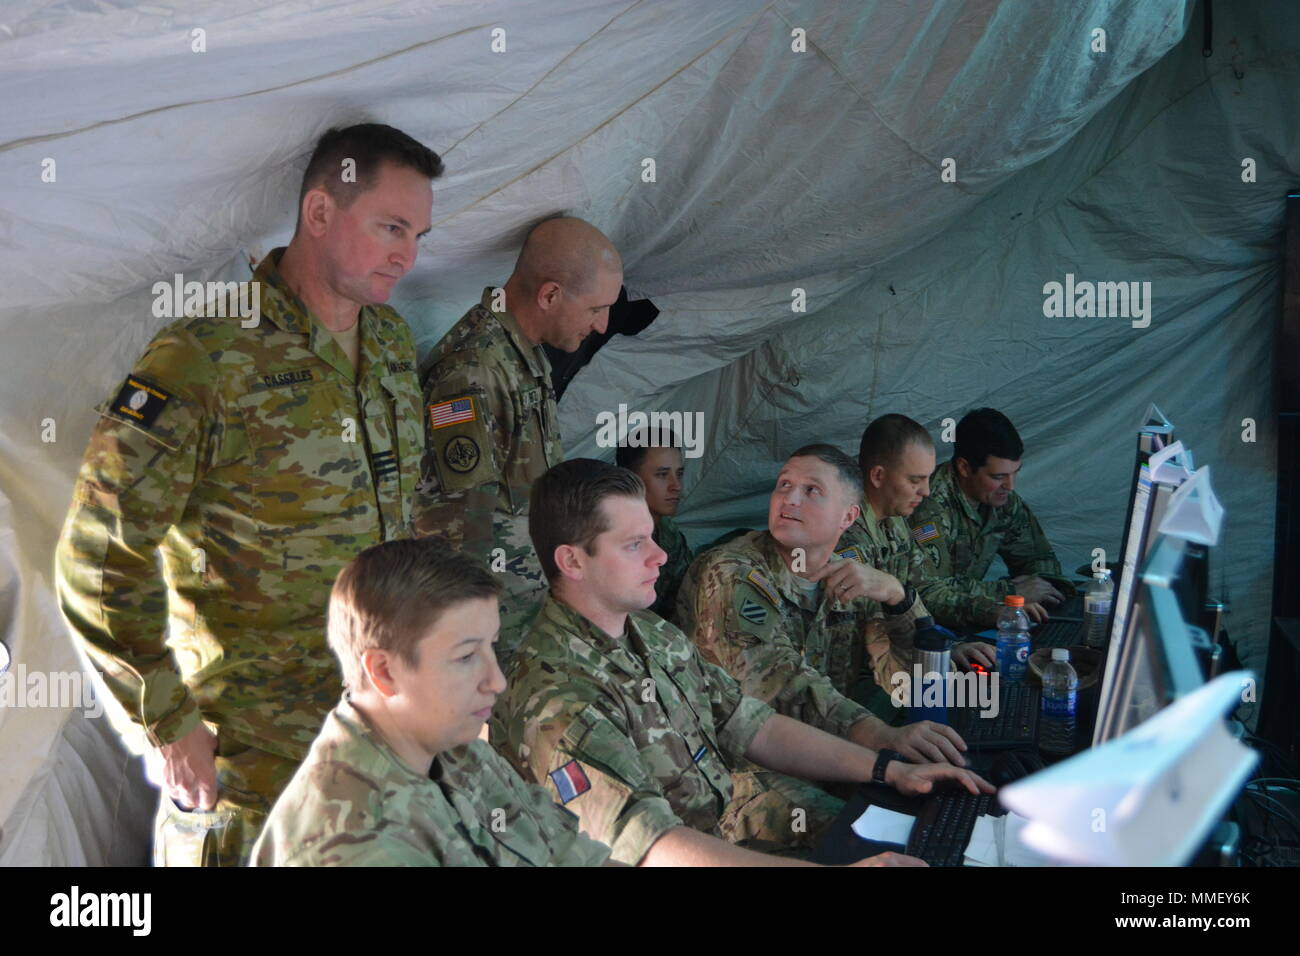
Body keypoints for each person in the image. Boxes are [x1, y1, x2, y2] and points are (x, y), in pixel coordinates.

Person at [54, 123, 442, 866]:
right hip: (251, 770)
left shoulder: (391, 344)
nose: (408, 254)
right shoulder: (207, 357)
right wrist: (165, 720)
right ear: (320, 212)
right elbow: (98, 553)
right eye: (391, 227)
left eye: (419, 234)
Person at [496, 459, 991, 866]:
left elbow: (752, 724)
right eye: (633, 545)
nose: (660, 557)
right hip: (678, 852)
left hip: (710, 829)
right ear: (573, 562)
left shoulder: (648, 632)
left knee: (902, 836)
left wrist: (886, 770)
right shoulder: (558, 696)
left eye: (651, 536)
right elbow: (651, 846)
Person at [250, 539, 611, 867]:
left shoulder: (455, 749)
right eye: (467, 656)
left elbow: (572, 856)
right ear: (385, 672)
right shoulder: (351, 843)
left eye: (492, 645)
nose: (496, 681)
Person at [678, 445, 972, 766]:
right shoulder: (732, 570)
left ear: (848, 516)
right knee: (853, 807)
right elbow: (773, 682)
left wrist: (898, 599)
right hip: (727, 759)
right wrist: (877, 734)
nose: (789, 499)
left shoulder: (848, 578)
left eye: (812, 490)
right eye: (784, 485)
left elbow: (906, 685)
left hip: (817, 743)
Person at [417, 217, 623, 668]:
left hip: (526, 602)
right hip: (492, 620)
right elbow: (454, 525)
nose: (604, 325)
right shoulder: (473, 371)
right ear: (549, 295)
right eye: (595, 309)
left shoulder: (523, 353)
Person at [840, 414, 997, 673]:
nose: (926, 491)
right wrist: (934, 652)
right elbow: (875, 629)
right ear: (878, 476)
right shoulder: (847, 536)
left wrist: (945, 645)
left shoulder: (895, 520)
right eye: (915, 480)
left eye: (928, 478)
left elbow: (918, 593)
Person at [909, 408, 1069, 631]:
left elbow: (1038, 559)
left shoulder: (1002, 500)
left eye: (1015, 473)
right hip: (926, 632)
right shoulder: (929, 507)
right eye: (998, 477)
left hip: (976, 619)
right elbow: (928, 594)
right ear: (964, 468)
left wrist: (1042, 588)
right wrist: (1010, 593)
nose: (1010, 486)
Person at [615, 426, 692, 622]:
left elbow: (685, 594)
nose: (676, 486)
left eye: (679, 473)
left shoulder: (667, 532)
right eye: (662, 474)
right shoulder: (613, 538)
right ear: (631, 478)